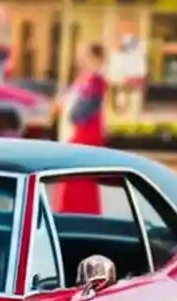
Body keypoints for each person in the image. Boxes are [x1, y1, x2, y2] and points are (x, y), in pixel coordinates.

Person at [55, 44, 108, 215]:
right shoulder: (88, 80)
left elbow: (79, 113)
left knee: (76, 184)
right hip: (83, 138)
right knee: (80, 184)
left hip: (82, 138)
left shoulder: (93, 81)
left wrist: (67, 105)